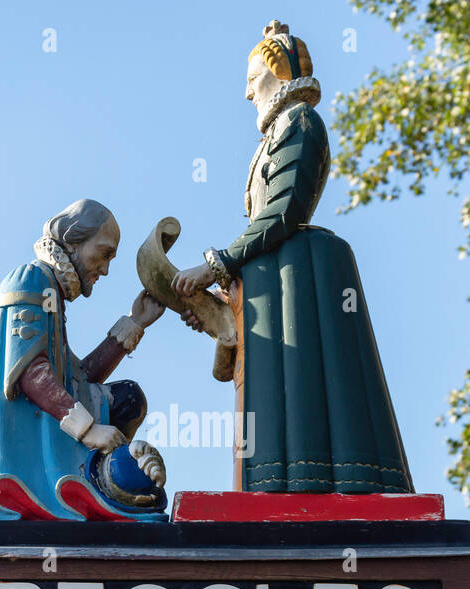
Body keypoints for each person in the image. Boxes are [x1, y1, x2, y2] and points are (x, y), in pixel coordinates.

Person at [172, 21, 413, 495]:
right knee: (271, 409)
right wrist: (225, 300)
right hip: (271, 280)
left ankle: (309, 488)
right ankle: (274, 490)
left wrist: (217, 263)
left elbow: (284, 210)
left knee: (304, 407)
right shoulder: (278, 130)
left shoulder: (300, 123)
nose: (246, 93)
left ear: (277, 73)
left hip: (297, 280)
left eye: (252, 78)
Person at [0, 199, 168, 520]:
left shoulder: (48, 288)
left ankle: (103, 480)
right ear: (73, 238)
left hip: (46, 425)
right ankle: (98, 483)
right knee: (126, 403)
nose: (106, 269)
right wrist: (89, 430)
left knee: (127, 399)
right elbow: (30, 373)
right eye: (104, 253)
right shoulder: (31, 279)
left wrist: (134, 323)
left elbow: (76, 379)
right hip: (28, 441)